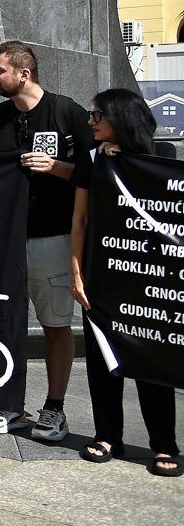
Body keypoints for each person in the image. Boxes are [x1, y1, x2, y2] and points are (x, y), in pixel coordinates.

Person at [0, 40, 93, 442]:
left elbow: (96, 172)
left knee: (55, 325)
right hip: (7, 241)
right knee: (5, 323)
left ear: (23, 74)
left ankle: (54, 409)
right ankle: (10, 404)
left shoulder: (67, 112)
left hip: (54, 238)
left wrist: (55, 166)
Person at [68, 89, 179, 477]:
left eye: (97, 114)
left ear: (121, 117)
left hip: (148, 278)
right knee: (102, 362)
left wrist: (128, 161)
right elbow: (79, 221)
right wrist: (77, 273)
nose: (90, 121)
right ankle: (106, 436)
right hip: (101, 275)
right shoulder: (91, 159)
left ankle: (165, 445)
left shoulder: (163, 156)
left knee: (152, 361)